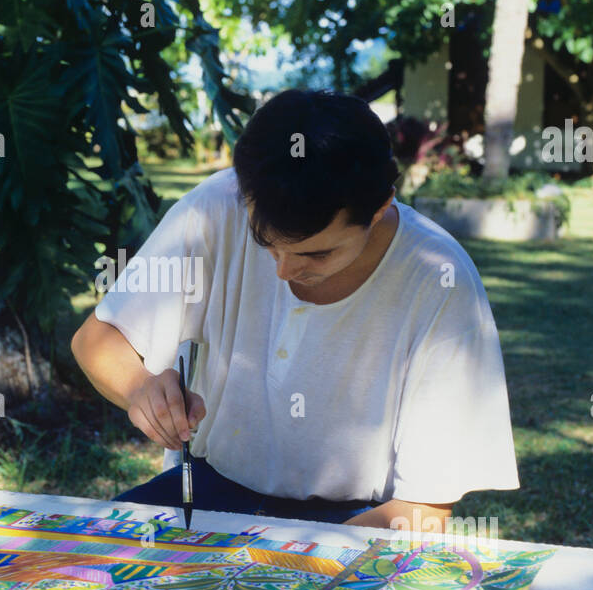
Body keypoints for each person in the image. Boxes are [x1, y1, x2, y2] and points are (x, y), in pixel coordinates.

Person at [72, 88, 520, 532]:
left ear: (380, 208)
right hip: (207, 490)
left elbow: (424, 511)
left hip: (360, 519)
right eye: (265, 243)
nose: (284, 271)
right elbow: (97, 340)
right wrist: (139, 388)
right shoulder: (217, 206)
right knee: (74, 566)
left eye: (317, 254)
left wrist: (284, 563)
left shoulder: (438, 277)